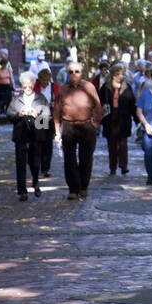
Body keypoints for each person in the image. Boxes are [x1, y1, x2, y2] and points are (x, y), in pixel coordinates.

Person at [52, 61, 103, 201]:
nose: (74, 74)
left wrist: (95, 124)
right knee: (69, 159)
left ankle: (83, 187)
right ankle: (73, 189)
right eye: (71, 72)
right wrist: (57, 130)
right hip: (69, 126)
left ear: (82, 73)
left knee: (86, 158)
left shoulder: (88, 87)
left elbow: (97, 106)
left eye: (77, 71)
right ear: (67, 74)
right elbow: (56, 110)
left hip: (86, 125)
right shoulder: (63, 89)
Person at [7, 72, 49, 201]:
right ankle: (22, 190)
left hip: (35, 134)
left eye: (30, 86)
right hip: (21, 134)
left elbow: (47, 117)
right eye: (25, 86)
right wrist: (18, 114)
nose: (27, 89)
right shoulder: (16, 100)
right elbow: (9, 115)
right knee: (20, 163)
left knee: (35, 161)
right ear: (22, 86)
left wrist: (38, 116)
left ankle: (35, 182)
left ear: (33, 84)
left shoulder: (41, 98)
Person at [99, 62, 136, 176]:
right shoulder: (106, 86)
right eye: (119, 74)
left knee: (123, 143)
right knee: (112, 144)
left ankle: (124, 166)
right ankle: (113, 167)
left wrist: (136, 117)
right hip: (110, 117)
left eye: (122, 74)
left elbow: (132, 102)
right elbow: (100, 101)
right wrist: (103, 107)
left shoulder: (127, 86)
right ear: (113, 74)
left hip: (123, 117)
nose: (121, 76)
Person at [33, 66, 59, 176]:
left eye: (46, 80)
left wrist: (55, 104)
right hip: (40, 117)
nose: (44, 82)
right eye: (42, 80)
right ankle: (37, 166)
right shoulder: (36, 87)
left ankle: (45, 169)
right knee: (39, 142)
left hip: (50, 116)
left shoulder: (55, 87)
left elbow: (60, 100)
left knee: (48, 143)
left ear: (49, 79)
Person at [0, 48, 14, 115]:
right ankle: (1, 110)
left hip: (7, 85)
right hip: (0, 85)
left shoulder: (8, 67)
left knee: (8, 98)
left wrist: (13, 85)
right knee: (1, 99)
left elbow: (11, 77)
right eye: (3, 54)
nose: (4, 55)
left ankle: (8, 110)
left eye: (5, 54)